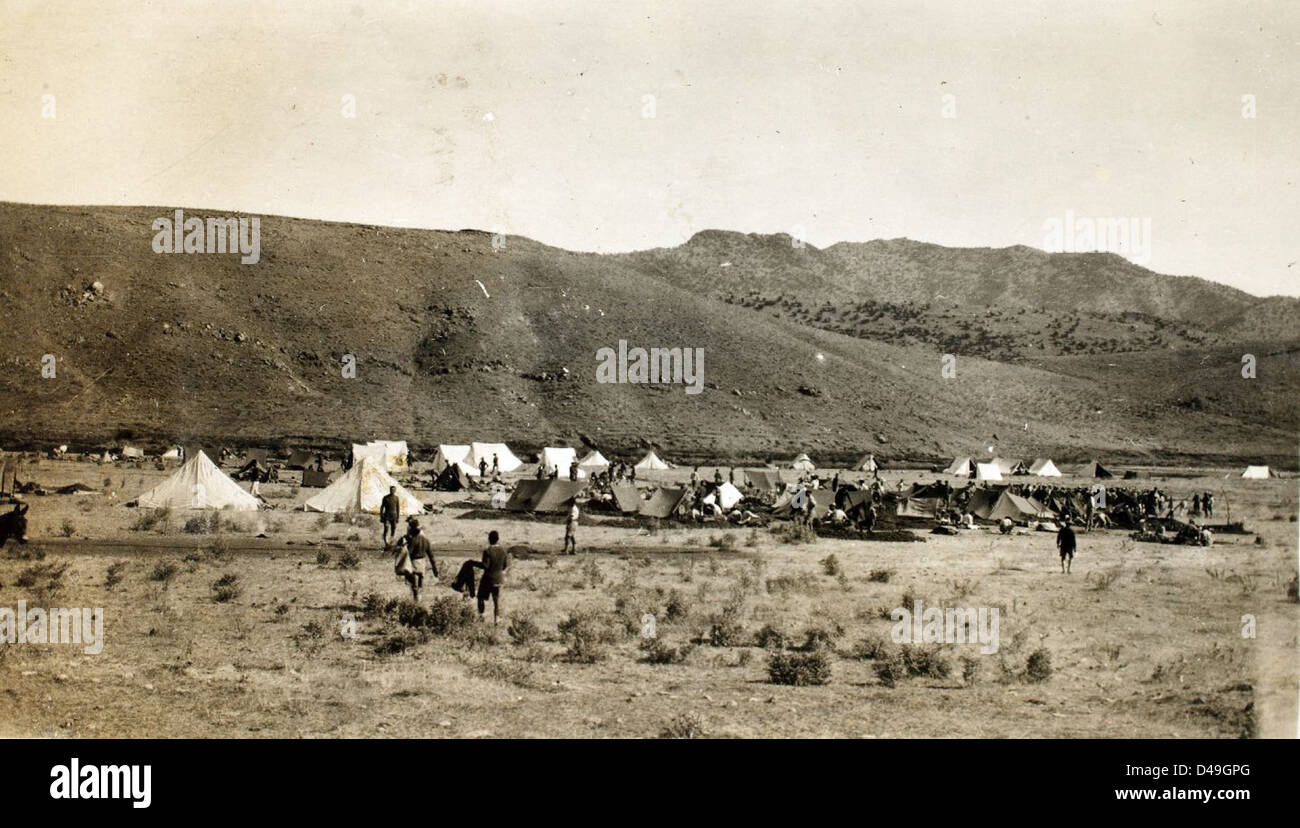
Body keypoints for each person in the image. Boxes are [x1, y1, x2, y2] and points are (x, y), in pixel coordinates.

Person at [469, 530, 508, 624]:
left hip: (488, 579)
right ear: (498, 539)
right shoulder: (503, 551)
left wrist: (473, 563)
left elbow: (485, 566)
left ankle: (481, 616)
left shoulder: (487, 551)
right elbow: (505, 565)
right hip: (499, 579)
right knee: (496, 601)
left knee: (480, 597)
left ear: (489, 539)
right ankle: (497, 619)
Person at [395, 517, 437, 601]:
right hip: (422, 564)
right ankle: (419, 601)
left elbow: (408, 554)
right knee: (420, 585)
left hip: (413, 563)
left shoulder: (414, 540)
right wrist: (435, 570)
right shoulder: (426, 540)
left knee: (414, 586)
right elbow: (431, 556)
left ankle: (415, 602)